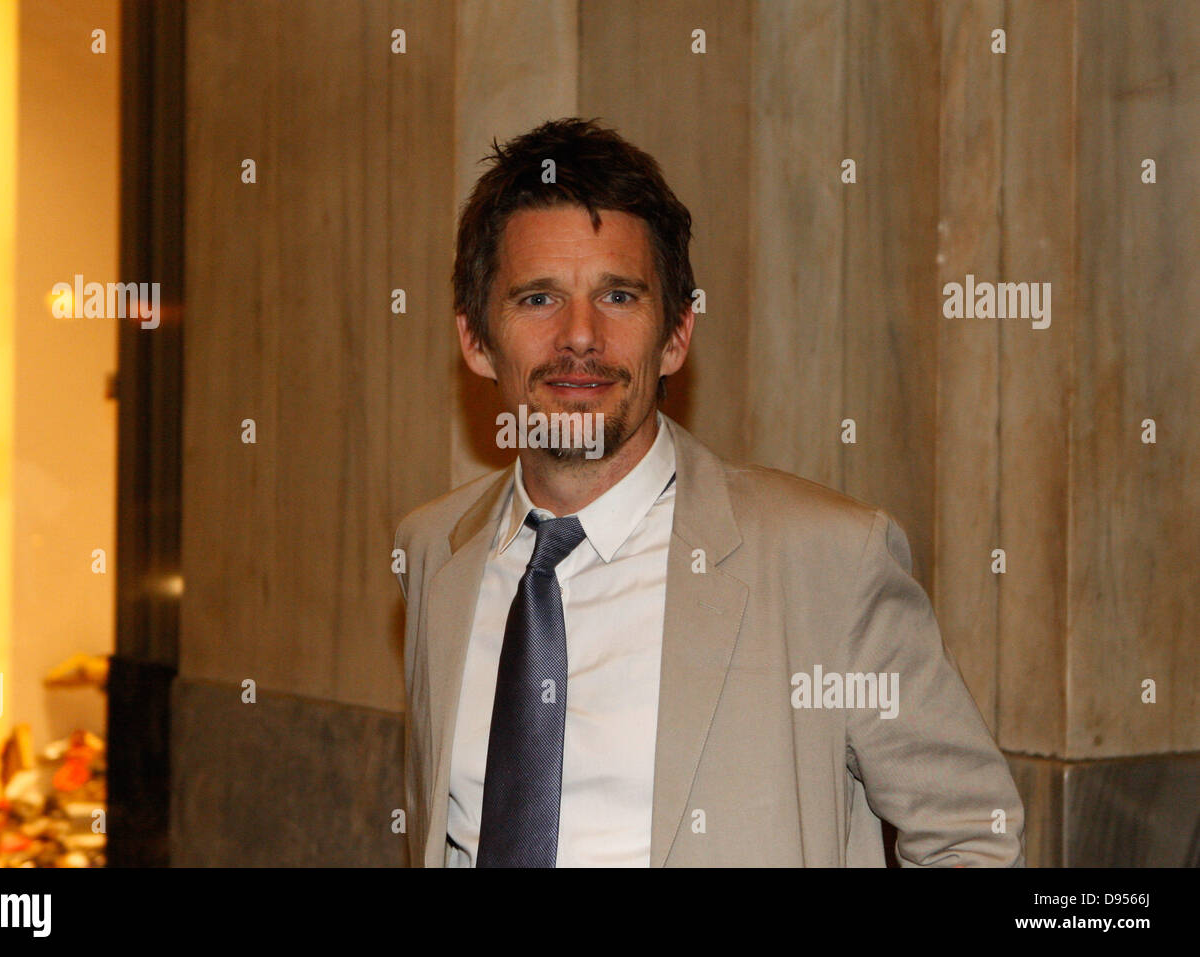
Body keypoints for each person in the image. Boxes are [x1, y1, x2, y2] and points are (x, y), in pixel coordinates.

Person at [393, 117, 1024, 867]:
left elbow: (972, 835)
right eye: (538, 299)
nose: (581, 336)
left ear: (676, 335)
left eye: (619, 296)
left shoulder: (824, 560)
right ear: (474, 338)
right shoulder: (434, 551)